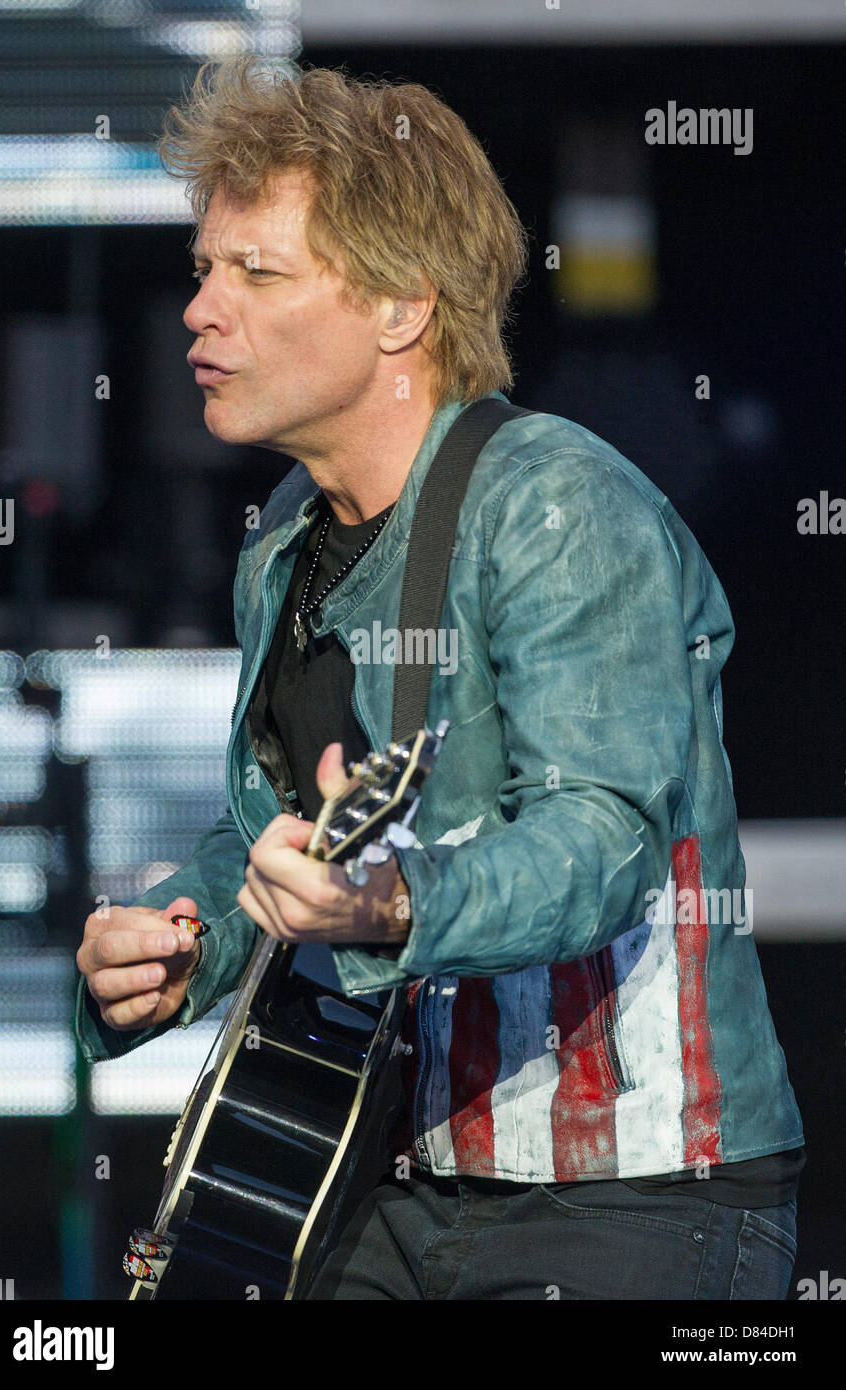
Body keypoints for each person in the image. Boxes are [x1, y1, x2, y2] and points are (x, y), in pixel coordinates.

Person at [75, 60, 804, 1300]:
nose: (201, 308)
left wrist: (390, 905)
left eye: (256, 272)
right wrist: (174, 944)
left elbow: (601, 836)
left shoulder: (559, 502)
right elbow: (275, 835)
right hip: (374, 1176)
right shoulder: (286, 539)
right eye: (205, 268)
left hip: (625, 1198)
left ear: (402, 306)